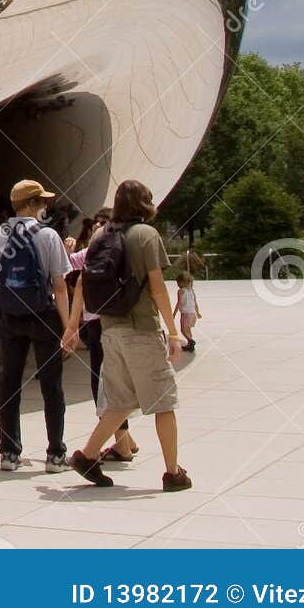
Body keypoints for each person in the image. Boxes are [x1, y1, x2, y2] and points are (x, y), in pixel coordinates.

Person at [67, 179, 191, 491]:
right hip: (141, 330)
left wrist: (72, 325)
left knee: (120, 401)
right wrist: (174, 332)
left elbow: (82, 281)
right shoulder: (146, 235)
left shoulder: (100, 234)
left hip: (110, 330)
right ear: (145, 204)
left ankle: (86, 455)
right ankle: (173, 473)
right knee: (164, 401)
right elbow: (158, 286)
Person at [0, 177, 73, 473]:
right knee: (51, 386)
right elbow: (60, 285)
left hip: (10, 317)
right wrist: (69, 326)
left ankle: (9, 452)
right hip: (43, 315)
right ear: (32, 205)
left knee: (9, 382)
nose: (45, 206)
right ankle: (55, 454)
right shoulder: (48, 236)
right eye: (42, 202)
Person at [67, 209, 137, 465]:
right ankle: (126, 440)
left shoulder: (95, 251)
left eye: (101, 222)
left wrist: (72, 325)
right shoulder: (124, 249)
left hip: (97, 324)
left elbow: (68, 268)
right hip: (116, 322)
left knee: (103, 387)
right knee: (113, 382)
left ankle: (122, 447)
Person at [175, 271, 201, 352]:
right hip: (193, 314)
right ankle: (190, 345)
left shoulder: (180, 291)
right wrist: (198, 312)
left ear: (183, 282)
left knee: (183, 330)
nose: (177, 285)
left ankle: (190, 340)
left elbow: (178, 303)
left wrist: (174, 313)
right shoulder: (192, 291)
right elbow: (195, 302)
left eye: (178, 282)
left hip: (185, 314)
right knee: (188, 330)